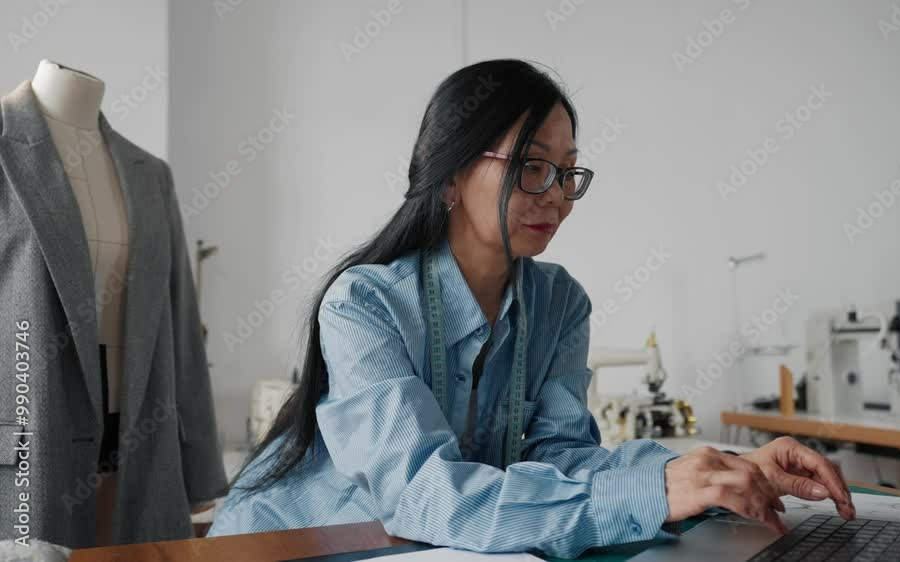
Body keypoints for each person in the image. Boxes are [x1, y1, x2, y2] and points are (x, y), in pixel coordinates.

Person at [206, 59, 855, 559]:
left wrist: (723, 472)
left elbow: (565, 456)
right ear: (453, 175)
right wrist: (654, 490)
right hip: (289, 546)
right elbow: (422, 495)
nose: (557, 197)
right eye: (531, 168)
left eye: (568, 171)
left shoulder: (559, 303)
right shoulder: (364, 305)